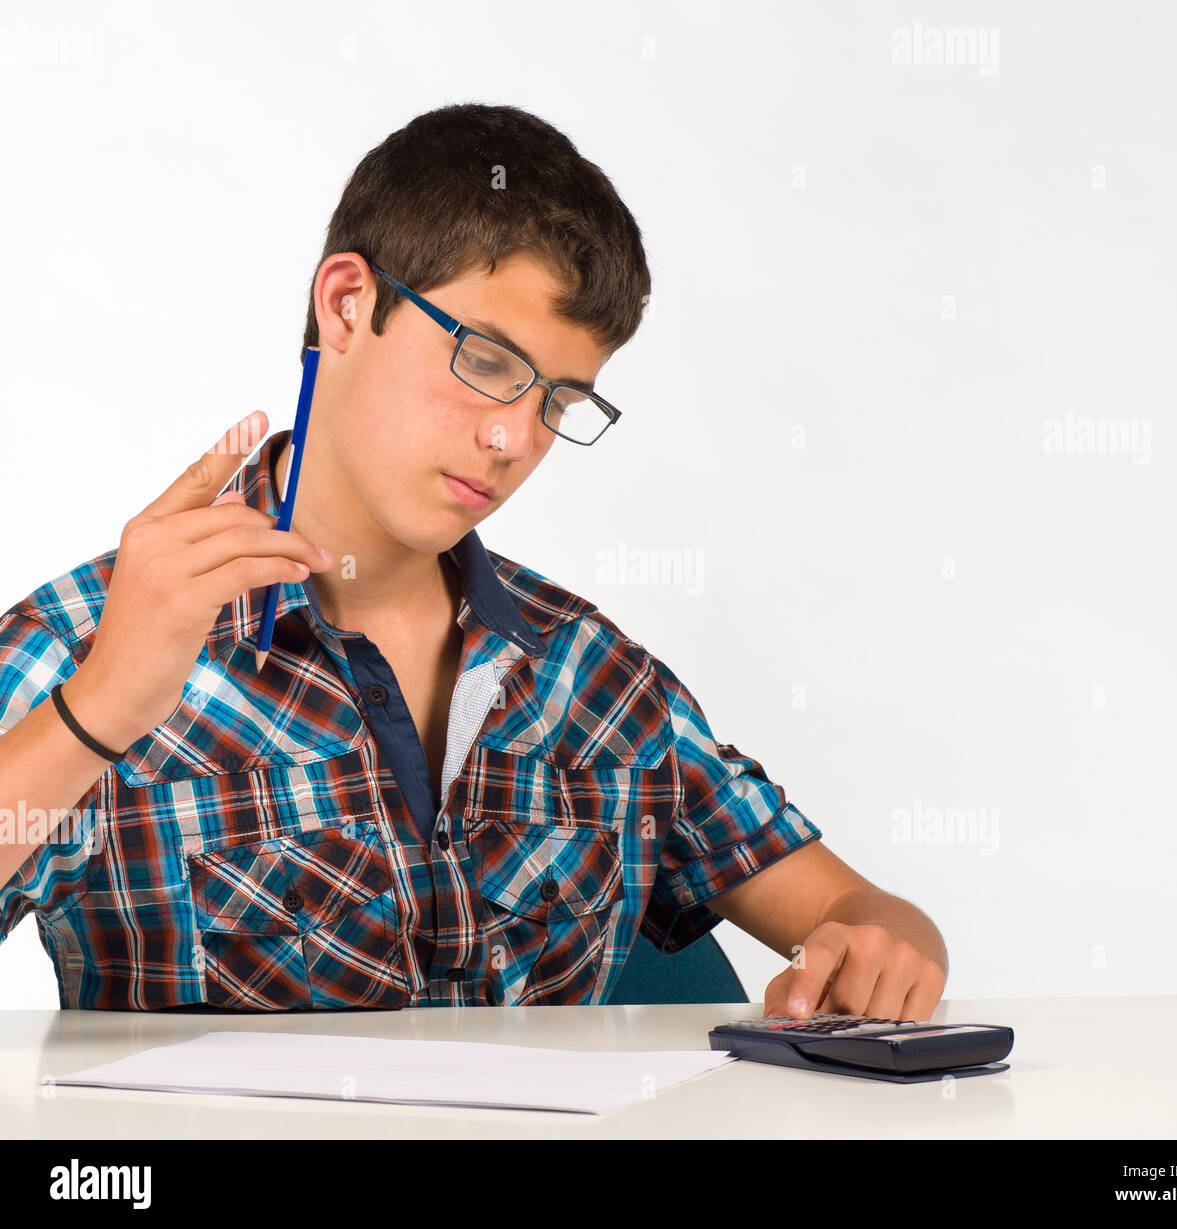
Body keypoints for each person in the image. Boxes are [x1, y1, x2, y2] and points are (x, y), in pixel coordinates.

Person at [0, 102, 947, 1016]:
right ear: (346, 303)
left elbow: (853, 913)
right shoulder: (89, 641)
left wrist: (886, 941)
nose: (514, 437)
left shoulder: (594, 680)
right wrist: (99, 712)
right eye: (488, 360)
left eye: (560, 402)